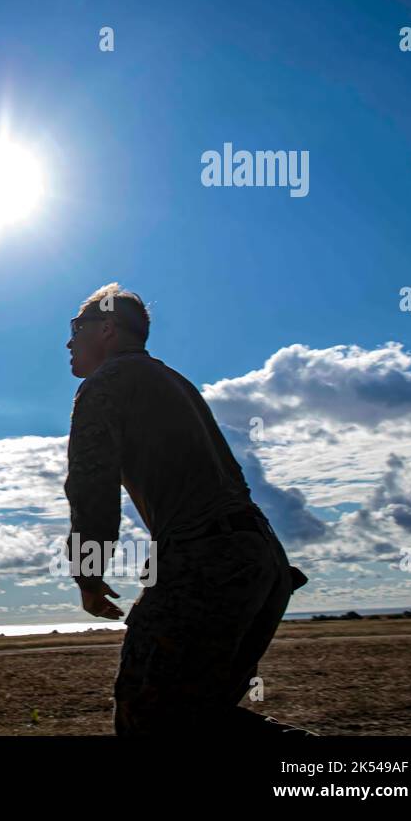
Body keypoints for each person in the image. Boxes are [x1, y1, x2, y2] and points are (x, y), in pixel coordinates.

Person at [63, 282, 314, 735]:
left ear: (105, 328)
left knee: (146, 716)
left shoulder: (106, 383)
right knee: (192, 717)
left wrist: (88, 575)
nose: (68, 340)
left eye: (75, 327)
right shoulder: (174, 381)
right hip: (262, 563)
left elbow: (90, 486)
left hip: (206, 562)